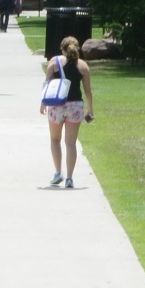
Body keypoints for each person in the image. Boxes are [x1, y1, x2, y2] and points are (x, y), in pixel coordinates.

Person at [41, 35, 93, 188]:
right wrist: (90, 109)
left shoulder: (54, 62)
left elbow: (47, 85)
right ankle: (70, 178)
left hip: (57, 106)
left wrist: (43, 103)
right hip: (75, 107)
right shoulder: (83, 66)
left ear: (62, 49)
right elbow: (88, 91)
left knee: (55, 140)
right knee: (71, 143)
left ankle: (58, 172)